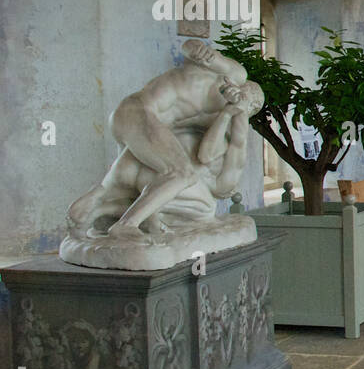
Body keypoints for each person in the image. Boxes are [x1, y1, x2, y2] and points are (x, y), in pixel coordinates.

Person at [67, 40, 260, 240]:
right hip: (139, 113)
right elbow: (192, 48)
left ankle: (96, 199)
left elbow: (206, 150)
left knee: (127, 182)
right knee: (182, 174)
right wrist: (207, 56)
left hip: (132, 118)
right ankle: (126, 225)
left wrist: (230, 112)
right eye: (248, 107)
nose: (244, 112)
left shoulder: (213, 116)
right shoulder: (233, 75)